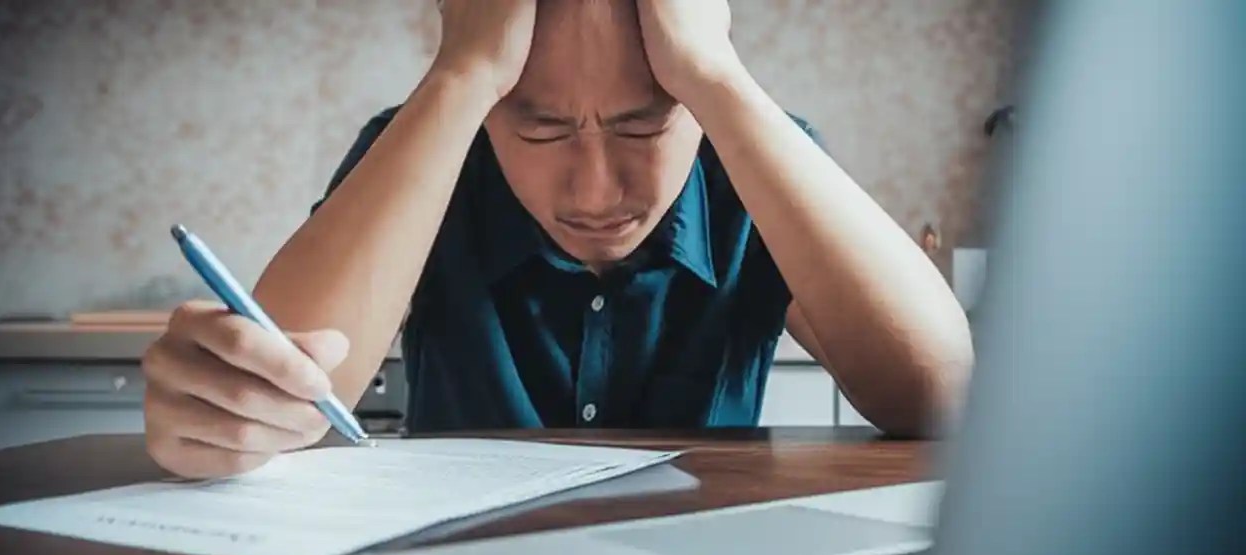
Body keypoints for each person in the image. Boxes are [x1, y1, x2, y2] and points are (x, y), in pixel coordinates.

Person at [142, 0, 973, 479]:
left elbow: (940, 395)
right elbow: (287, 387)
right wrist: (460, 74)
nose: (594, 194)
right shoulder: (431, 149)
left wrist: (716, 76)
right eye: (536, 131)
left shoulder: (751, 158)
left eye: (645, 126)